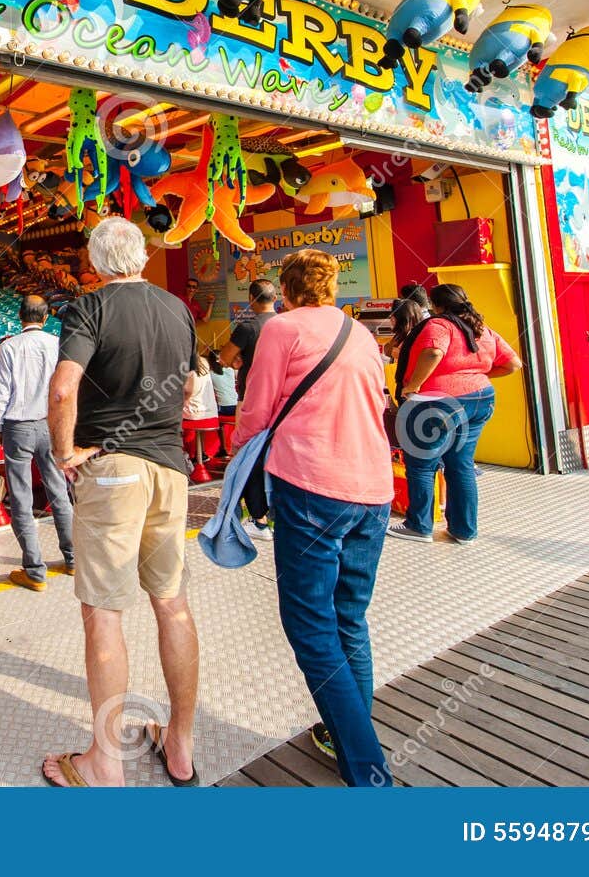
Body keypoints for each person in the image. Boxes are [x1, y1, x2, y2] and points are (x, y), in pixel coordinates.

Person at [43, 217, 199, 787]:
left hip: (112, 470)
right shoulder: (177, 308)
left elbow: (63, 387)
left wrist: (65, 452)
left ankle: (104, 763)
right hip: (170, 468)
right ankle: (179, 746)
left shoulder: (89, 308)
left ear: (95, 262)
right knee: (171, 603)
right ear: (141, 256)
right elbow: (188, 386)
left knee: (104, 612)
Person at [231, 248, 393, 787]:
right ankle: (344, 731)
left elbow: (256, 412)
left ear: (287, 288)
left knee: (310, 625)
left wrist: (239, 453)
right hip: (373, 489)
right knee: (349, 617)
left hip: (312, 487)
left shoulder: (282, 329)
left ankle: (367, 768)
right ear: (331, 287)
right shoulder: (360, 334)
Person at [389, 283, 522, 545]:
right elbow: (513, 364)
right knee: (460, 464)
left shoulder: (439, 325)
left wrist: (413, 385)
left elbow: (433, 352)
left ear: (435, 305)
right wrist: (475, 375)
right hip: (480, 399)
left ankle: (419, 526)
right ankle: (464, 530)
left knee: (422, 464)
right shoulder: (481, 328)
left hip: (438, 402)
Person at [0, 294, 73, 590]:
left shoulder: (9, 347)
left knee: (21, 497)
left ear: (19, 316)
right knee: (59, 491)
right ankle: (73, 559)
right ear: (46, 318)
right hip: (51, 424)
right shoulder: (57, 344)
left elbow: (0, 393)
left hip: (18, 426)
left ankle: (35, 570)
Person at [221, 278, 278, 404]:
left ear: (251, 298)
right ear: (274, 298)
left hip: (252, 397)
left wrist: (235, 362)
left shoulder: (246, 328)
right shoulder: (289, 325)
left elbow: (224, 358)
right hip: (280, 396)